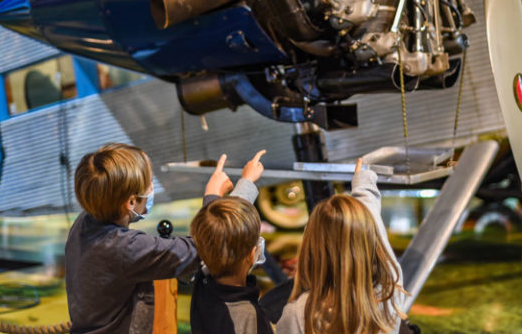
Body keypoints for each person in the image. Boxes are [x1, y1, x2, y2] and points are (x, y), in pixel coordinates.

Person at [65, 142, 265, 333]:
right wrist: (222, 192)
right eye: (149, 184)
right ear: (131, 202)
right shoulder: (126, 248)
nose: (152, 189)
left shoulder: (85, 221)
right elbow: (206, 245)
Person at [276, 158, 411, 334]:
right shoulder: (388, 294)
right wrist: (364, 186)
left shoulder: (299, 313)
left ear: (312, 247)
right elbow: (374, 233)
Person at [189, 149, 271, 334]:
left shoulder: (205, 286)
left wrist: (245, 183)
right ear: (252, 254)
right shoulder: (249, 320)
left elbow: (217, 233)